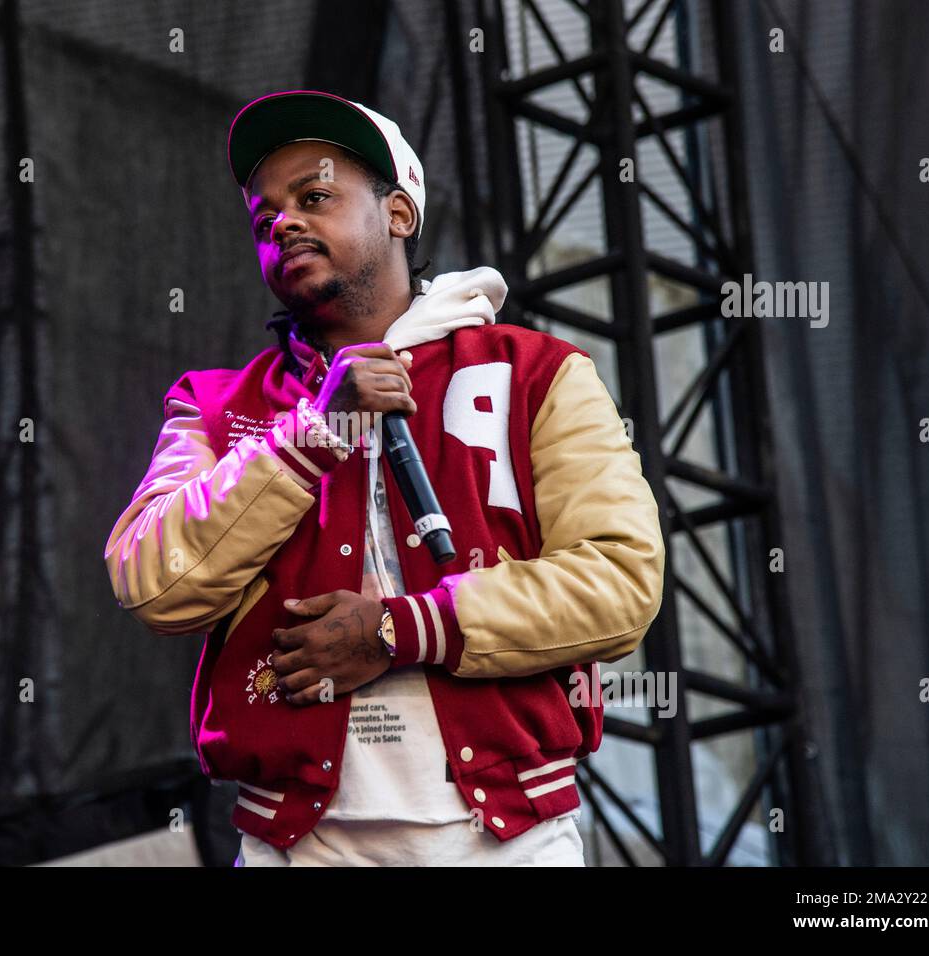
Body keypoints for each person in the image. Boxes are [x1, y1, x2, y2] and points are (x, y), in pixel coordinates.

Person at [104, 90, 665, 866]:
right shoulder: (214, 404)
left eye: (315, 196)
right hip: (298, 844)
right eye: (263, 217)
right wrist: (311, 436)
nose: (283, 222)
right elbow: (152, 582)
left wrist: (399, 630)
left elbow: (620, 583)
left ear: (399, 213)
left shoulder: (537, 373)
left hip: (509, 838)